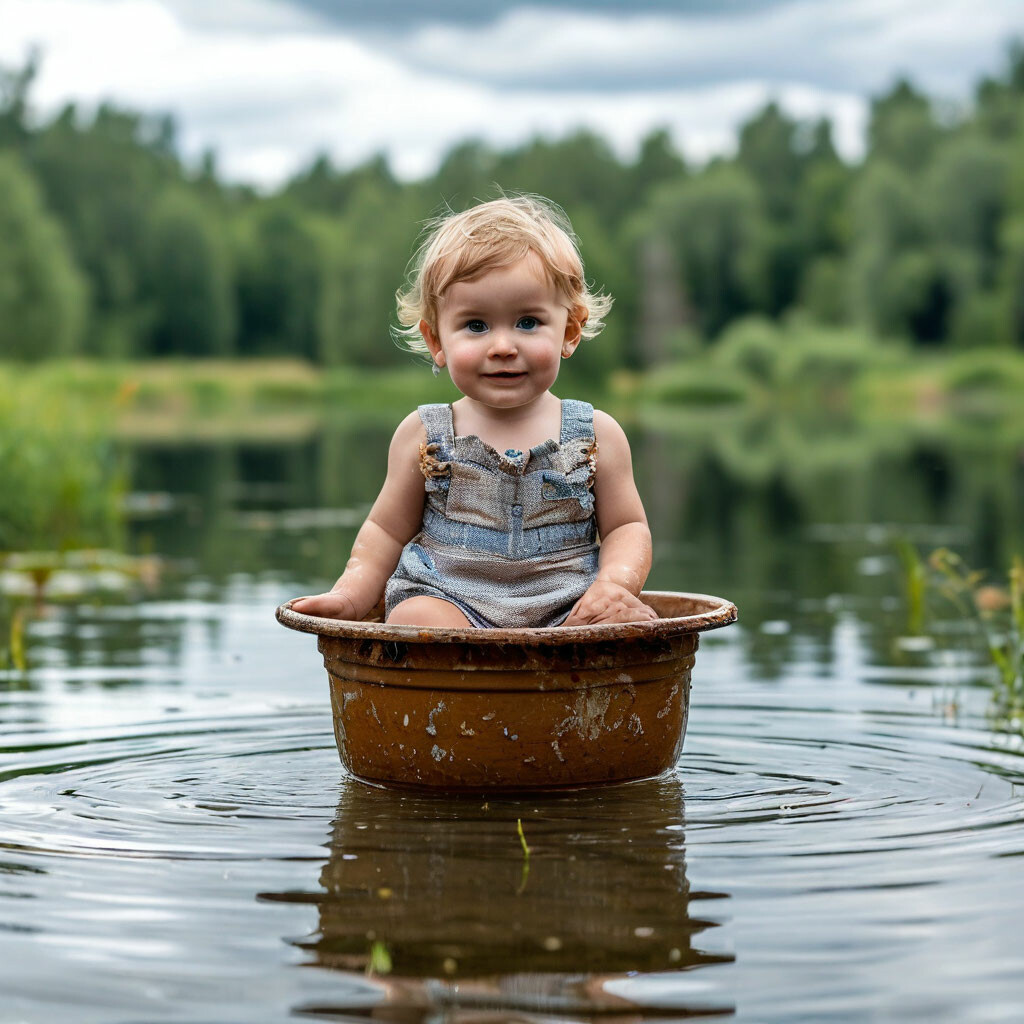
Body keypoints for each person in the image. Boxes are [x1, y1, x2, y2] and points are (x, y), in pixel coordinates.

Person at [292, 195, 656, 628]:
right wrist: (351, 597)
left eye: (527, 322)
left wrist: (612, 586)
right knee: (416, 620)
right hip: (450, 603)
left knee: (624, 623)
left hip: (568, 611)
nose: (503, 346)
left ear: (570, 330)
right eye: (476, 326)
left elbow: (627, 528)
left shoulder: (595, 435)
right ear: (437, 342)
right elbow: (385, 533)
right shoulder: (425, 435)